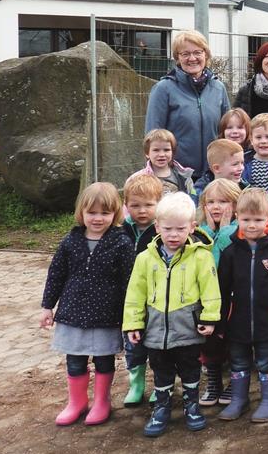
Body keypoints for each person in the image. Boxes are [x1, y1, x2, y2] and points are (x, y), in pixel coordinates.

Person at [122, 192, 221, 438]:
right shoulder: (145, 258)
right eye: (167, 229)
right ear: (157, 227)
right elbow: (135, 293)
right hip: (156, 329)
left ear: (192, 227)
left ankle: (192, 405)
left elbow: (211, 290)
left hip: (188, 327)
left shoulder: (201, 257)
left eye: (180, 229)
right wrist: (133, 323)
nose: (174, 235)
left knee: (190, 368)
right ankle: (162, 407)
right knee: (161, 368)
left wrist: (209, 318)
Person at [40, 182, 134, 427]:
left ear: (116, 214)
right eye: (92, 212)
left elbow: (130, 280)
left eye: (105, 212)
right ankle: (77, 402)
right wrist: (47, 305)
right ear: (81, 212)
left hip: (107, 314)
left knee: (103, 360)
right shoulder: (71, 241)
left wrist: (131, 315)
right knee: (75, 360)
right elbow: (56, 273)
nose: (98, 218)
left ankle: (102, 401)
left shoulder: (121, 243)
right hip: (73, 313)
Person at [216, 188, 268, 423]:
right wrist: (220, 320)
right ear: (237, 219)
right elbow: (221, 289)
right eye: (246, 220)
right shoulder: (230, 252)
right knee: (239, 360)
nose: (252, 225)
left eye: (258, 220)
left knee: (266, 361)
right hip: (237, 321)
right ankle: (239, 400)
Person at [145, 30, 231, 178]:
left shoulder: (218, 88)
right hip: (176, 174)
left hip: (214, 172)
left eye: (198, 52)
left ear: (206, 54)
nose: (192, 58)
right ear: (177, 58)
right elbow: (153, 136)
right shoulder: (164, 89)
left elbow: (227, 130)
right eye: (185, 54)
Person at [196, 178, 240, 407]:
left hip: (231, 297)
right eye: (210, 201)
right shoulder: (199, 232)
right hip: (206, 299)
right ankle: (213, 380)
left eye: (222, 201)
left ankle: (234, 381)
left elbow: (228, 260)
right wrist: (210, 234)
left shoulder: (238, 231)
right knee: (209, 342)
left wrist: (223, 233)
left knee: (233, 340)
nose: (215, 207)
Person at [121, 175, 162, 406]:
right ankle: (136, 383)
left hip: (157, 298)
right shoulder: (121, 230)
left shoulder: (162, 232)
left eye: (148, 205)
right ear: (126, 205)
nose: (142, 211)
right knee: (133, 345)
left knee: (156, 344)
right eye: (135, 205)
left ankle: (160, 384)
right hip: (130, 299)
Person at [127, 129, 195, 198]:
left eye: (166, 150)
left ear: (172, 152)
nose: (162, 154)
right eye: (156, 150)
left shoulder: (183, 176)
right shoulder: (137, 179)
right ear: (147, 153)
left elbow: (193, 195)